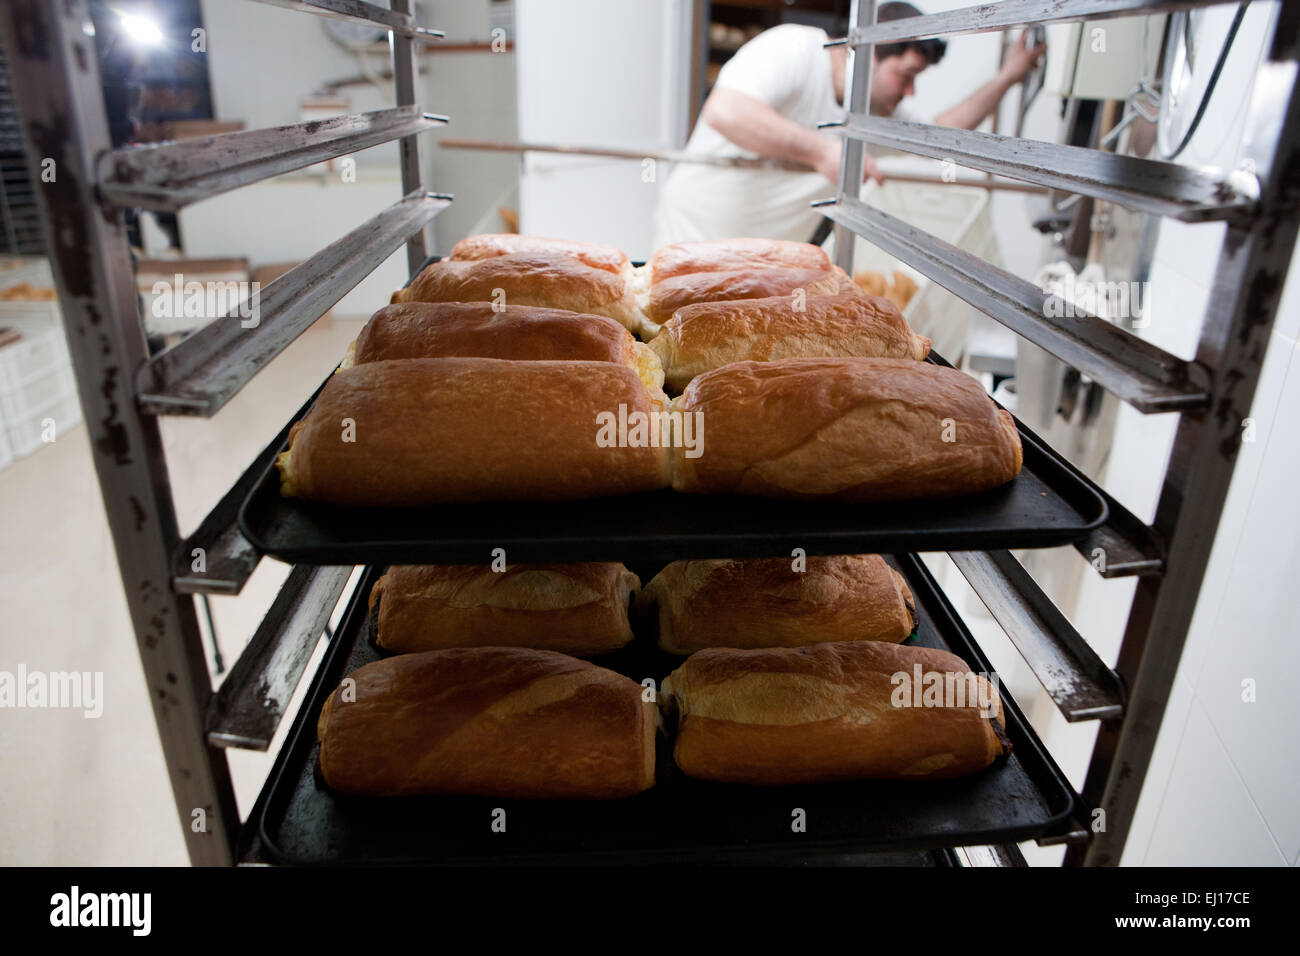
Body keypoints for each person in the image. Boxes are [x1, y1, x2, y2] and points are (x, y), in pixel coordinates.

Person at [651, 2, 1046, 247]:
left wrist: (1007, 77)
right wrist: (822, 150)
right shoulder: (797, 48)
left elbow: (939, 137)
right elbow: (726, 111)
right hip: (692, 238)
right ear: (870, 53)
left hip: (760, 263)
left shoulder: (872, 113)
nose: (909, 92)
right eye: (905, 75)